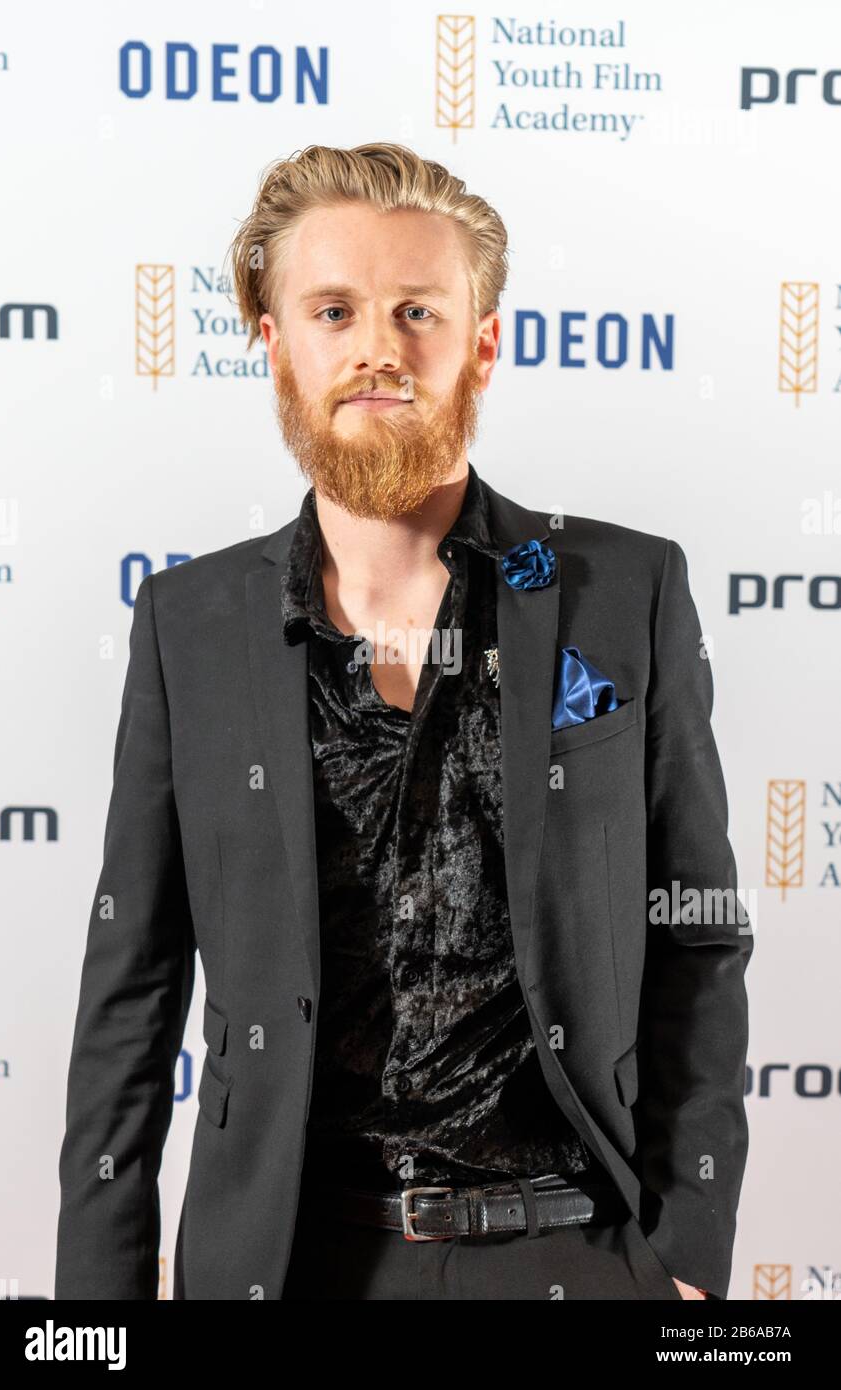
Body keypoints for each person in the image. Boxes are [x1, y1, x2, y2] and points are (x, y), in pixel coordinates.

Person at [55, 143, 752, 1301]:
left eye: (416, 310)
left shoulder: (625, 593)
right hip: (285, 1259)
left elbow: (695, 937)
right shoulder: (190, 624)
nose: (378, 347)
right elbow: (129, 992)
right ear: (273, 341)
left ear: (481, 343)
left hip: (577, 1252)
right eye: (334, 309)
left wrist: (687, 1262)